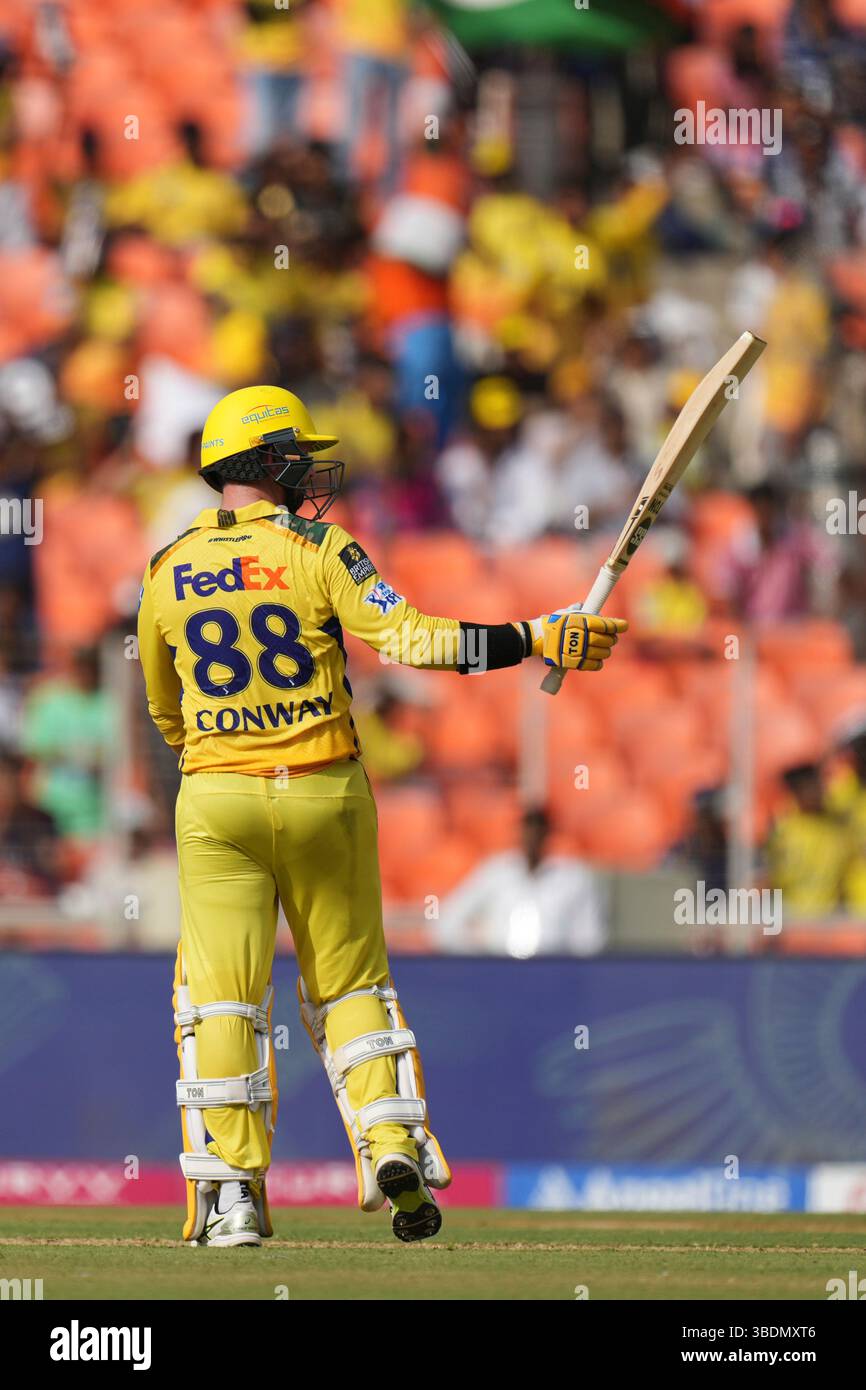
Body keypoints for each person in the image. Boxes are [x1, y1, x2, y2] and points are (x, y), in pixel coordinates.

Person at [137, 384, 628, 1249]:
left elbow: (162, 707)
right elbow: (415, 641)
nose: (310, 468)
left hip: (214, 797)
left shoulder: (165, 566)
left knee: (220, 999)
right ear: (268, 462)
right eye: (298, 453)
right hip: (324, 787)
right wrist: (535, 636)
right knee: (350, 984)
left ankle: (234, 1202)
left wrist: (217, 752)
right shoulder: (319, 548)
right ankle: (392, 1145)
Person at [435, 806, 605, 957]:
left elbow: (589, 940)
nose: (532, 841)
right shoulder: (495, 873)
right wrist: (482, 959)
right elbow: (447, 924)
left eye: (537, 833)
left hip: (552, 976)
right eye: (527, 833)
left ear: (547, 835)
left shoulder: (573, 878)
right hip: (499, 974)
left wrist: (567, 970)